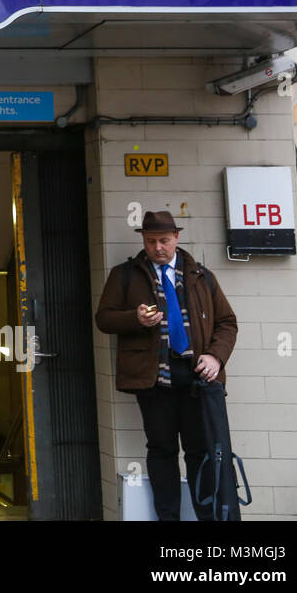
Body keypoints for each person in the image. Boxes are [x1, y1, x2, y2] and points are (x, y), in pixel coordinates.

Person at [95, 210, 237, 521]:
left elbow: (227, 323)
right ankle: (168, 518)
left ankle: (207, 517)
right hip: (154, 380)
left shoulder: (200, 275)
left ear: (176, 238)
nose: (157, 247)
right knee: (161, 450)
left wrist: (215, 356)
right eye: (150, 241)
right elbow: (103, 318)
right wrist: (135, 318)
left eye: (163, 240)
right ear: (143, 241)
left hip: (197, 378)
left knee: (200, 452)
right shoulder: (125, 274)